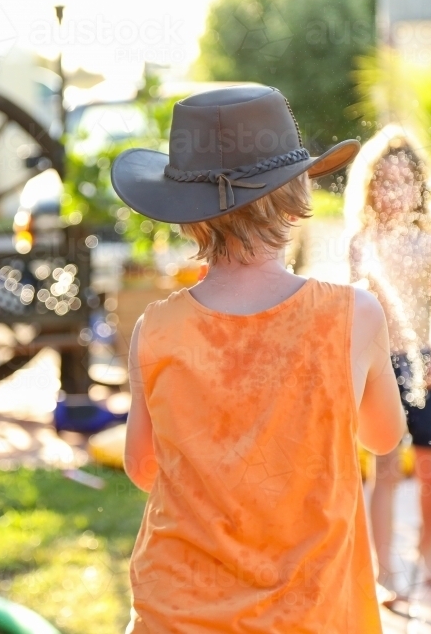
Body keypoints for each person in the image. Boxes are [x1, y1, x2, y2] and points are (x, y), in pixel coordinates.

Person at [111, 85, 407, 632]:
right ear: (296, 195)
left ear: (186, 215)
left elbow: (143, 466)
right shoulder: (356, 316)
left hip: (177, 612)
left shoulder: (156, 329)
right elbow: (383, 437)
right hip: (311, 612)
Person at [344, 125, 431, 596]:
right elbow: (352, 312)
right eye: (384, 182)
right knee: (384, 467)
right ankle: (383, 567)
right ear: (370, 188)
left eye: (403, 182)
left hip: (423, 362)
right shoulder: (360, 244)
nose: (394, 192)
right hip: (379, 367)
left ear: (419, 188)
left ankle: (427, 545)